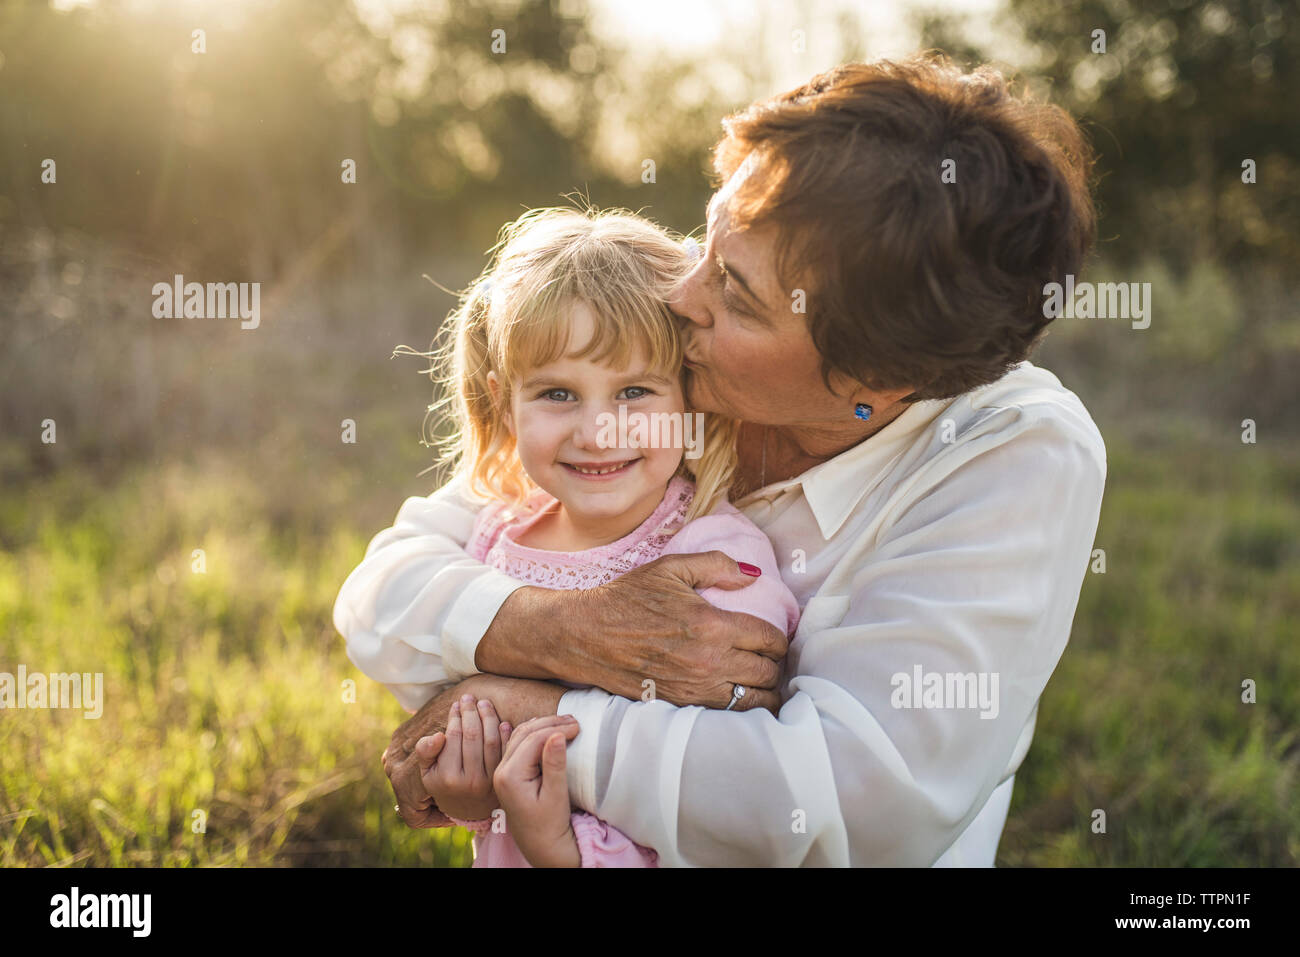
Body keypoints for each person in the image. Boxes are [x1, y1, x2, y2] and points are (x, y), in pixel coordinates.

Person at [334, 53, 1106, 866]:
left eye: (735, 291)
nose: (681, 294)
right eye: (708, 240)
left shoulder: (1016, 451)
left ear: (874, 378)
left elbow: (845, 804)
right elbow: (388, 585)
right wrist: (552, 628)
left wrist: (523, 709)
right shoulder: (663, 367)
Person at [357, 207, 798, 866]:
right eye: (559, 393)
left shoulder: (716, 564)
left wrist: (562, 849)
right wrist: (473, 789)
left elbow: (718, 798)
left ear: (690, 401)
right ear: (504, 403)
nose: (598, 431)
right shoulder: (492, 535)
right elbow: (380, 611)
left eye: (635, 392)